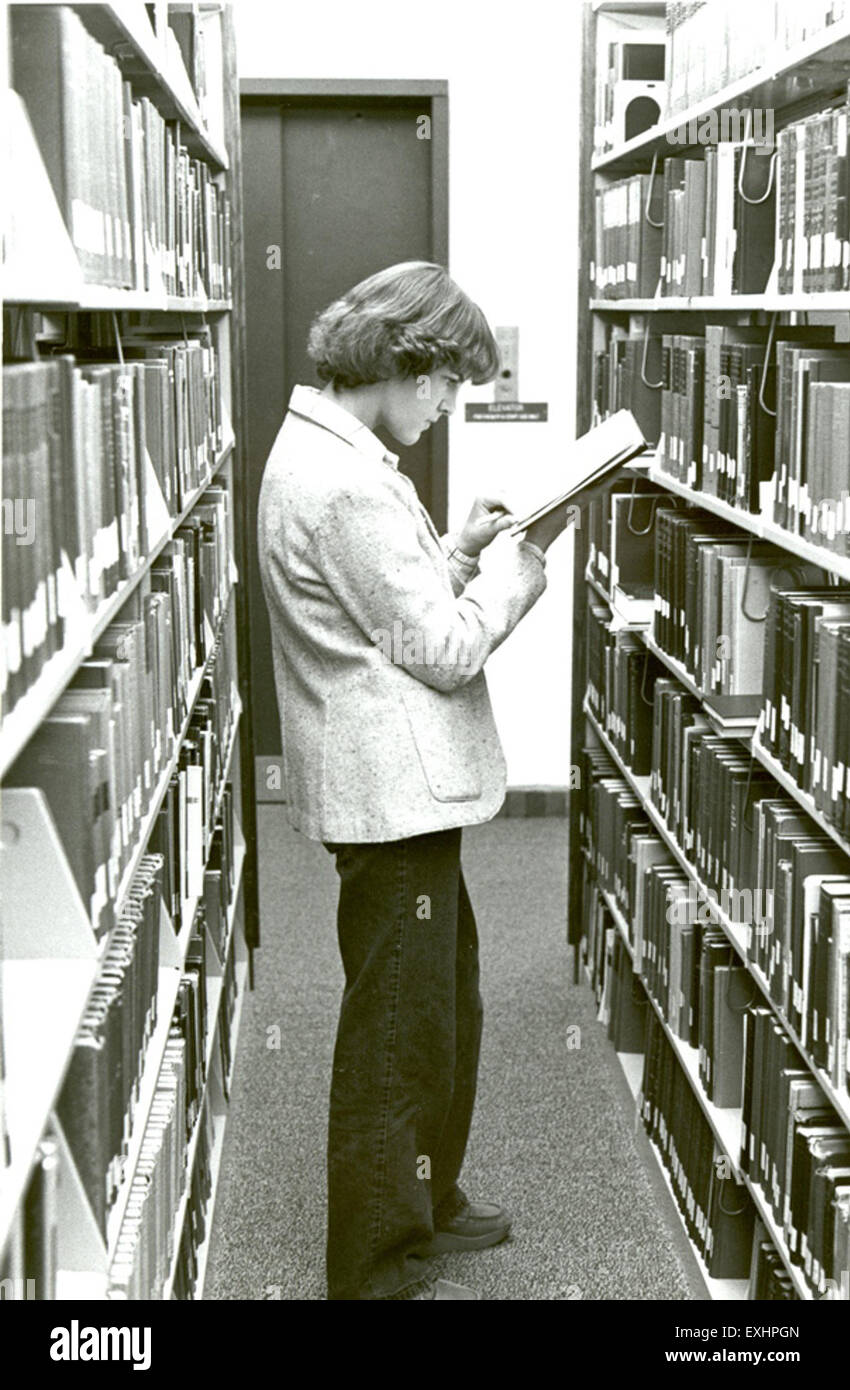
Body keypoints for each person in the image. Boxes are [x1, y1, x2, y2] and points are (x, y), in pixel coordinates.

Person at [257, 261, 568, 1301]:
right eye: (442, 384)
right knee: (397, 1031)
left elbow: (380, 609)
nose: (444, 408)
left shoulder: (335, 451)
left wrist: (461, 555)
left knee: (444, 1005)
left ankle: (427, 1197)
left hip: (405, 788)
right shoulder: (343, 478)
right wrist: (518, 583)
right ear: (399, 361)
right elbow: (437, 650)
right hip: (391, 796)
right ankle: (374, 1261)